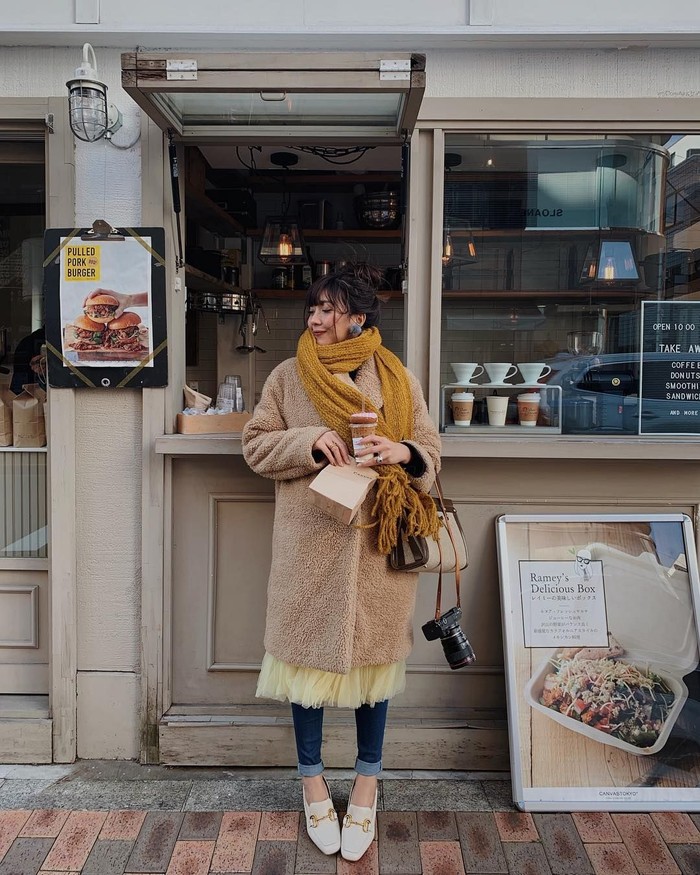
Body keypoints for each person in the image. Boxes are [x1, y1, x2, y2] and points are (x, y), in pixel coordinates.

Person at [241, 264, 441, 861]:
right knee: (304, 669)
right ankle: (311, 785)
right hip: (310, 546)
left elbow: (431, 452)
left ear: (358, 317)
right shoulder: (287, 375)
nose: (315, 319)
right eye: (312, 308)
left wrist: (398, 449)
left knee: (374, 673)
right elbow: (253, 443)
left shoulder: (397, 377)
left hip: (378, 548)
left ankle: (366, 787)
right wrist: (306, 442)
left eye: (328, 309)